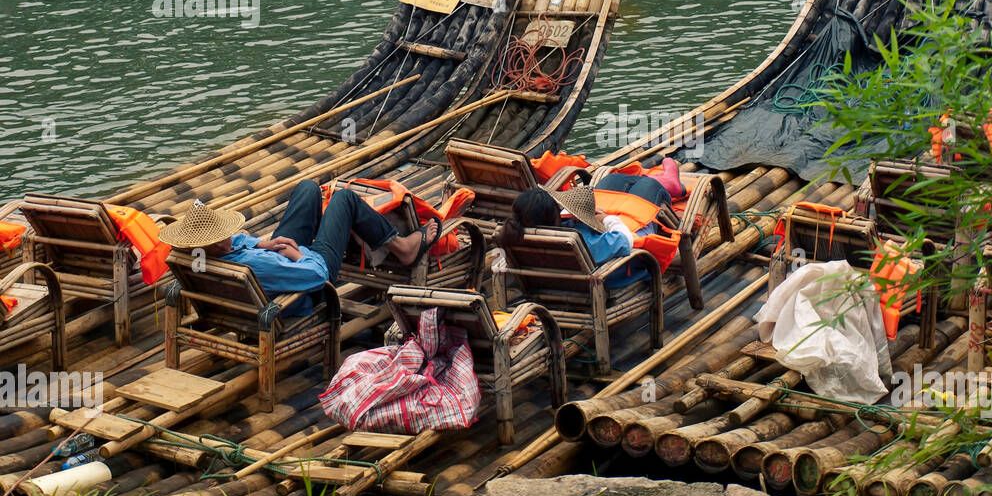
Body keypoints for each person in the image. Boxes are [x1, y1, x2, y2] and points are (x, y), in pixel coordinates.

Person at [158, 180, 442, 298]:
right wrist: (299, 255)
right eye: (224, 236)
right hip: (310, 273)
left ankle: (326, 230)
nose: (230, 237)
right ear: (218, 243)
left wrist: (262, 244)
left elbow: (237, 243)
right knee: (344, 199)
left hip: (275, 264)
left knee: (307, 188)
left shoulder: (199, 257)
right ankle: (403, 247)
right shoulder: (252, 268)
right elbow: (316, 276)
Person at [496, 174, 671, 287]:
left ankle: (657, 179)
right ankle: (667, 183)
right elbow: (625, 238)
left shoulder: (515, 234)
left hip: (559, 281)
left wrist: (584, 213)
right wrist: (605, 219)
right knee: (649, 185)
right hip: (611, 270)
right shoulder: (577, 243)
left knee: (614, 179)